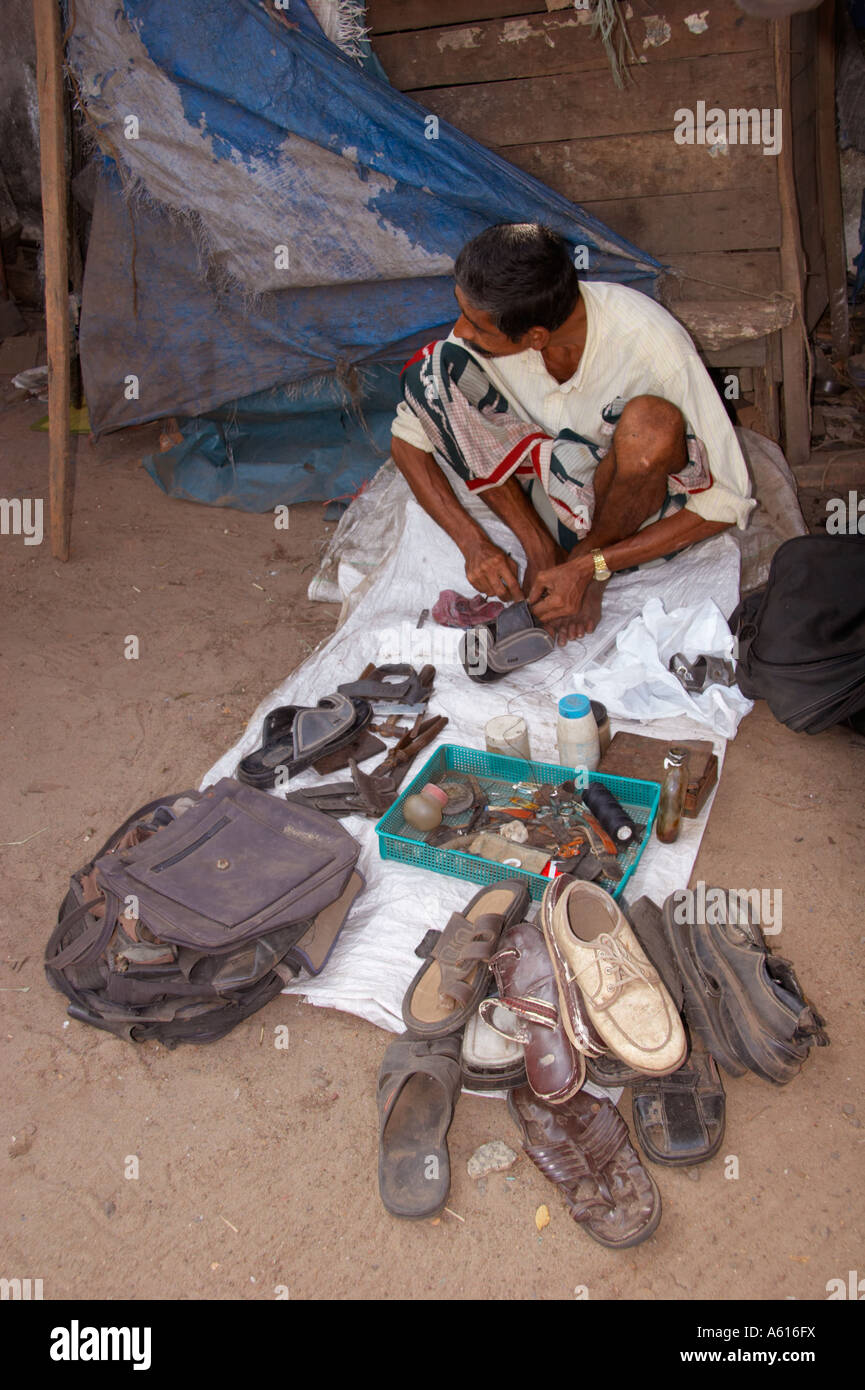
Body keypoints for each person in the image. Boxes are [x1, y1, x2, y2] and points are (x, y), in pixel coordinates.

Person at [390, 223, 755, 644]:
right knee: (430, 372)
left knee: (651, 426)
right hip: (550, 499)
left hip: (634, 516)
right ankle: (543, 549)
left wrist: (589, 569)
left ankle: (587, 564)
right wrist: (474, 544)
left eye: (476, 325)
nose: (463, 329)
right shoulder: (486, 332)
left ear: (535, 338)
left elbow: (726, 500)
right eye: (463, 312)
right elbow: (408, 441)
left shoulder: (651, 342)